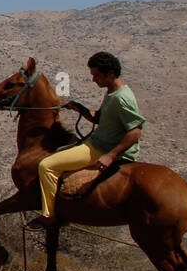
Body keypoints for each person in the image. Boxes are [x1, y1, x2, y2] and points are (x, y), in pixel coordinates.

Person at [27, 51, 144, 228]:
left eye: (96, 75)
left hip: (101, 148)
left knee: (46, 166)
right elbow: (99, 118)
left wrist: (110, 156)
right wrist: (79, 108)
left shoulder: (122, 98)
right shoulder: (112, 91)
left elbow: (135, 131)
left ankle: (49, 217)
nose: (93, 80)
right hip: (96, 142)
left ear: (110, 73)